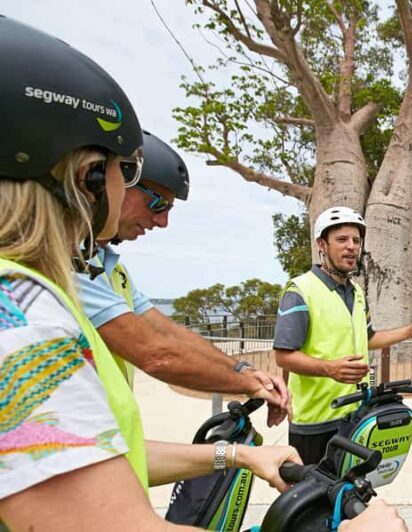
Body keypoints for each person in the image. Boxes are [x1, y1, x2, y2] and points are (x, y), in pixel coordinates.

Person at [0, 17, 405, 532]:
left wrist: (235, 455)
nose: (137, 194)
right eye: (127, 171)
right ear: (89, 177)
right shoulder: (17, 313)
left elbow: (94, 457)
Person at [75, 130, 290, 426]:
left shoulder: (111, 269)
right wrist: (251, 386)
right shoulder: (66, 263)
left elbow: (168, 333)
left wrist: (243, 369)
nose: (162, 222)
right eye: (158, 204)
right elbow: (156, 354)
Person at [274, 206, 412, 464]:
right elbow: (284, 355)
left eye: (356, 240)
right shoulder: (301, 290)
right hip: (314, 422)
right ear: (322, 244)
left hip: (354, 416)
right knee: (312, 500)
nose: (352, 246)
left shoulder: (356, 293)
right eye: (342, 239)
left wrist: (409, 331)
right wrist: (329, 369)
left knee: (349, 497)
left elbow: (368, 338)